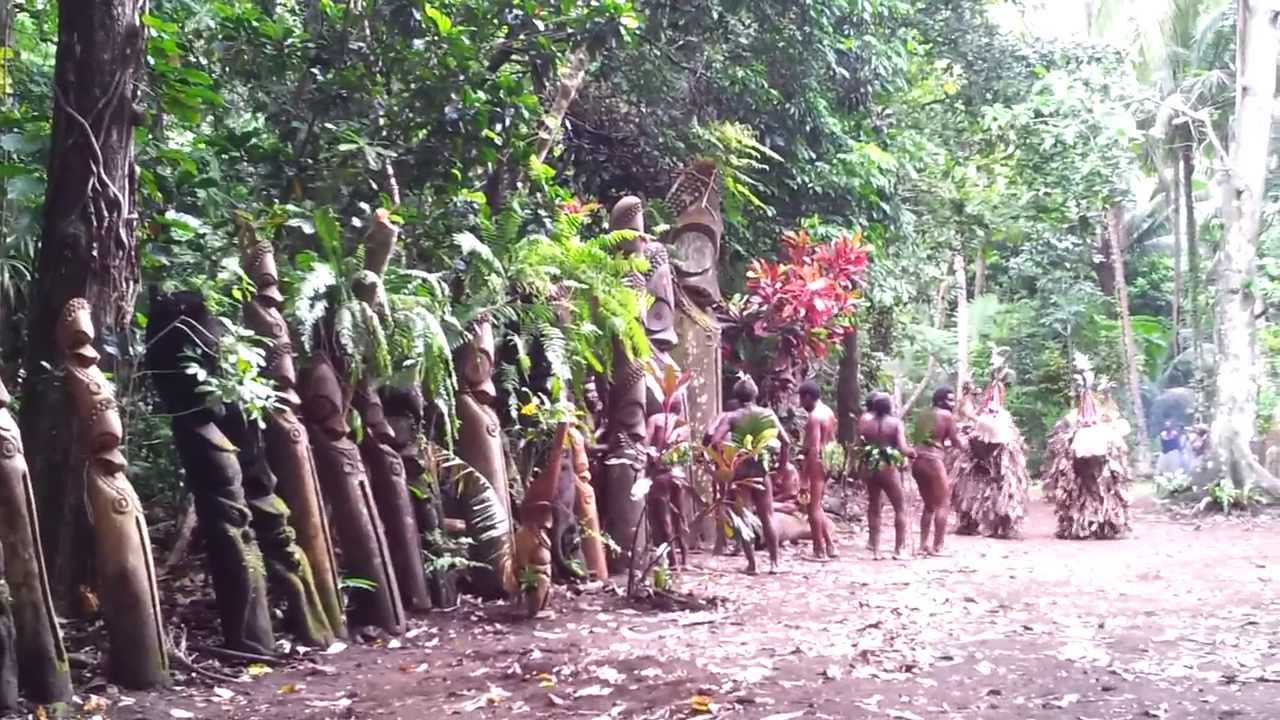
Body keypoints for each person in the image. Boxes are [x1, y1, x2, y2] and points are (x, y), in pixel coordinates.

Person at [704, 377, 791, 574]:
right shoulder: (768, 414)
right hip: (761, 470)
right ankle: (774, 563)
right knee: (767, 516)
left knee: (742, 517)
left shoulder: (732, 417)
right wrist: (782, 467)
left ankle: (752, 564)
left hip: (740, 472)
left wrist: (726, 463)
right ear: (755, 394)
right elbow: (786, 442)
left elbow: (716, 442)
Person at [856, 391, 915, 560]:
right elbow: (903, 448)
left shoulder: (864, 421)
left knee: (874, 505)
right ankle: (899, 549)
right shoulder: (895, 423)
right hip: (888, 468)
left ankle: (874, 545)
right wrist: (911, 453)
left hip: (871, 466)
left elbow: (859, 444)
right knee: (900, 506)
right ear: (889, 406)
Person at [911, 387, 966, 556]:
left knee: (929, 505)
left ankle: (923, 545)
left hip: (917, 461)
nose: (952, 404)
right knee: (943, 503)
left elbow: (919, 438)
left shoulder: (923, 415)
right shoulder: (946, 416)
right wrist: (967, 444)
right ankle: (938, 547)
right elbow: (956, 441)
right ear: (940, 400)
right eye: (949, 400)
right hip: (933, 461)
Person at [646, 393, 690, 567]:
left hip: (661, 473)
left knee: (665, 519)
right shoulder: (684, 425)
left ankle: (674, 562)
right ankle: (685, 560)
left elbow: (646, 445)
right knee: (681, 515)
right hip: (678, 474)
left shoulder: (655, 419)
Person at [798, 380, 837, 559]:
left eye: (801, 398)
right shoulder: (828, 412)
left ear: (808, 397)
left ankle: (818, 550)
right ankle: (829, 545)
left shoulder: (815, 417)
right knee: (817, 505)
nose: (800, 403)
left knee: (812, 507)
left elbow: (814, 448)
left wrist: (805, 477)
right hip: (830, 459)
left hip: (818, 461)